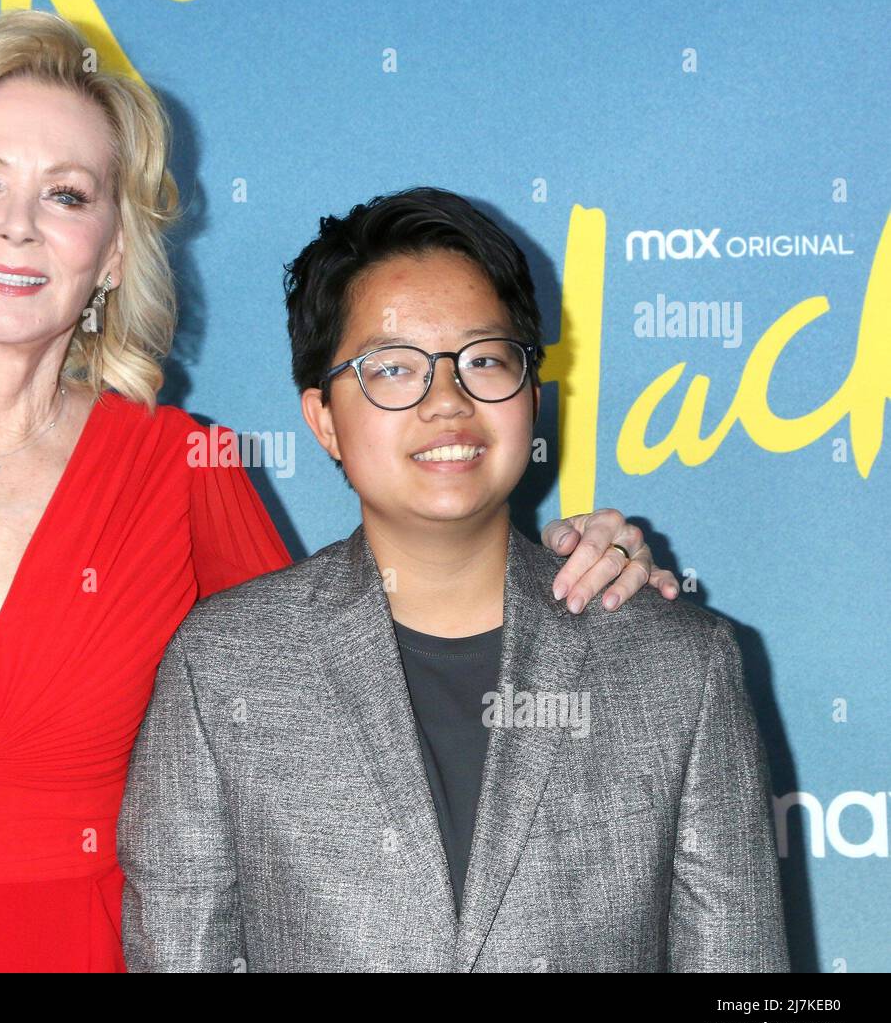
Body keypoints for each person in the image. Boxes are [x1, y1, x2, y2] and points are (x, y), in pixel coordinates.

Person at [0, 12, 676, 974]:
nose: (18, 225)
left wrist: (565, 584)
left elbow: (372, 722)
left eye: (66, 195)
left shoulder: (177, 470)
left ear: (112, 252)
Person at [118, 187, 789, 972]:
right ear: (324, 418)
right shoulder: (225, 664)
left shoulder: (677, 666)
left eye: (484, 360)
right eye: (393, 369)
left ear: (533, 397)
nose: (447, 402)